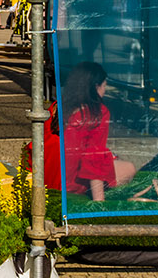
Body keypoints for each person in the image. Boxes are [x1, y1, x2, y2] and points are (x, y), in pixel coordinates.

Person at [46, 61, 137, 201]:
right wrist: (99, 201)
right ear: (96, 87)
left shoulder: (56, 107)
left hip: (50, 175)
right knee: (129, 168)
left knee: (112, 159)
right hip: (72, 181)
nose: (105, 91)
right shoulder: (98, 113)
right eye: (104, 86)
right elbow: (94, 156)